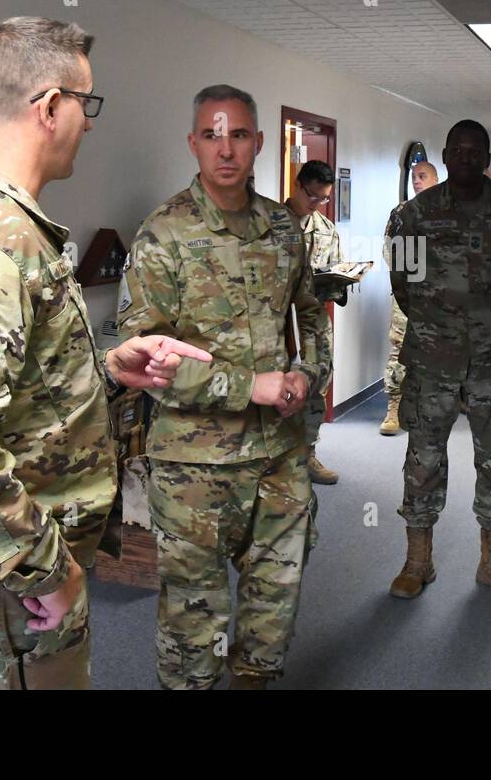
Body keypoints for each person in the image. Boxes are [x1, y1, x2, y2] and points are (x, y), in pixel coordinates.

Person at [0, 17, 210, 690]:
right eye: (86, 105)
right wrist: (47, 572)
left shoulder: (1, 226)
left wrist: (110, 370)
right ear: (51, 106)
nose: (89, 124)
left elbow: (19, 393)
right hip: (8, 591)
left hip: (5, 576)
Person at [117, 84, 331, 690]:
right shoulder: (163, 234)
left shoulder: (284, 229)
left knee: (275, 600)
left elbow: (309, 316)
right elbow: (150, 362)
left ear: (259, 142)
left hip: (280, 454)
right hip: (195, 467)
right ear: (193, 143)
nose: (225, 149)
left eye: (238, 134)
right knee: (195, 619)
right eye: (211, 135)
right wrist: (250, 386)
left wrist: (306, 374)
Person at [385, 120, 491, 602]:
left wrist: (488, 327)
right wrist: (440, 327)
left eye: (476, 151)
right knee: (423, 461)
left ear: (487, 158)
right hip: (431, 361)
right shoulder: (416, 214)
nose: (467, 157)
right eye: (458, 150)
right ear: (446, 155)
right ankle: (417, 562)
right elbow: (402, 285)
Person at [285, 160, 343, 485]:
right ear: (297, 185)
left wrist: (343, 278)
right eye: (312, 196)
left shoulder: (327, 229)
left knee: (315, 387)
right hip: (279, 325)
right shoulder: (268, 225)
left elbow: (333, 278)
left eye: (323, 198)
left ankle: (307, 453)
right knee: (279, 389)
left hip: (314, 326)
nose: (317, 204)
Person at [380, 160, 438, 436]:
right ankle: (394, 406)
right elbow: (389, 250)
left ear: (435, 180)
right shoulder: (401, 212)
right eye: (414, 176)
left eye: (422, 176)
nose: (416, 180)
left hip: (442, 298)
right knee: (399, 349)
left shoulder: (450, 211)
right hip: (408, 295)